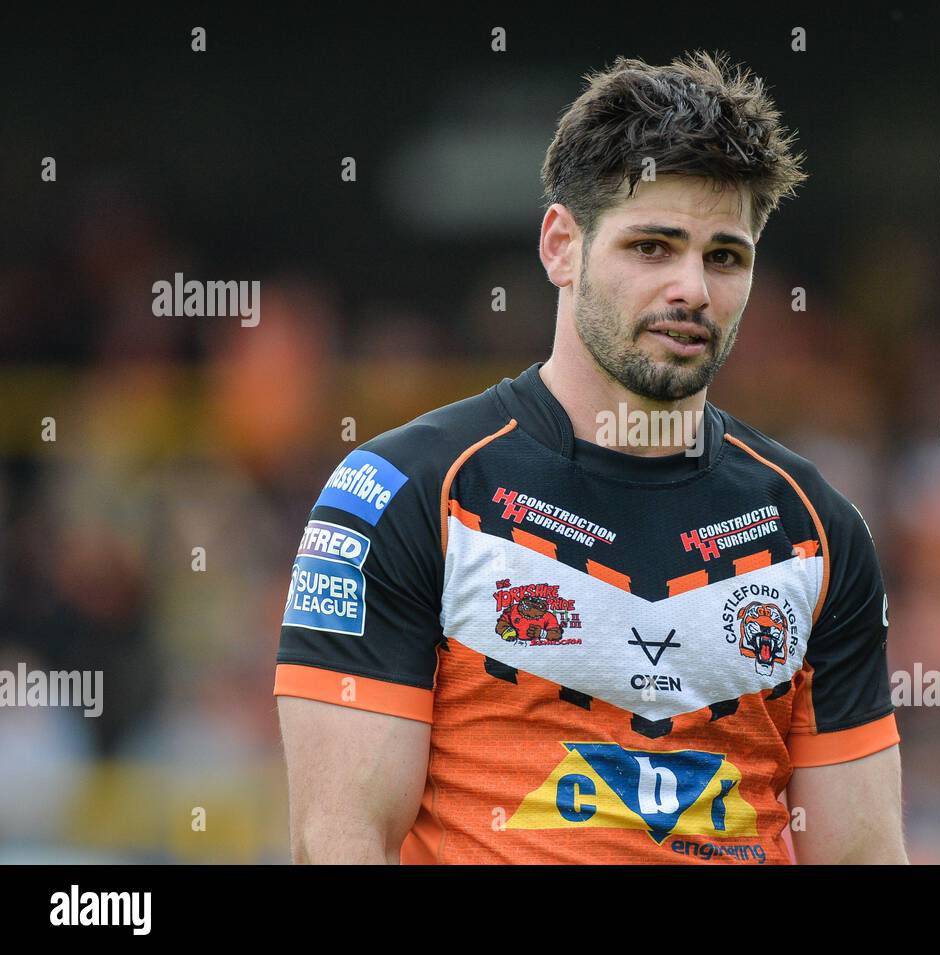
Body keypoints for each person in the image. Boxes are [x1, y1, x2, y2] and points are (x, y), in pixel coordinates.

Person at [275, 50, 906, 864]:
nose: (692, 290)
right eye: (653, 246)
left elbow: (860, 854)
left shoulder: (818, 526)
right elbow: (340, 839)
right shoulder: (402, 492)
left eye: (725, 256)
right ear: (560, 246)